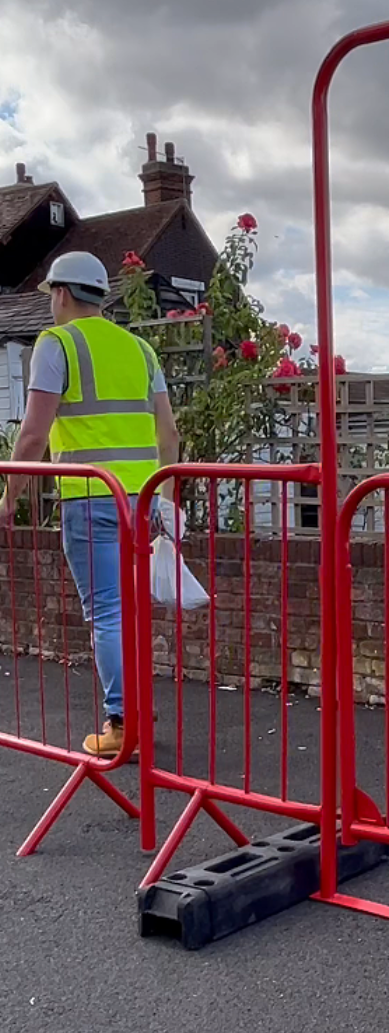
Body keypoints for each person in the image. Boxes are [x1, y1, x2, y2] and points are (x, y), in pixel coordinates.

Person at [0, 251, 179, 757]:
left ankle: (124, 723)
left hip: (91, 495)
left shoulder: (56, 343)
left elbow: (33, 435)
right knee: (130, 610)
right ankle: (136, 706)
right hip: (141, 498)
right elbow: (169, 433)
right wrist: (166, 501)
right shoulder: (140, 349)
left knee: (106, 612)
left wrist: (9, 498)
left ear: (60, 293)